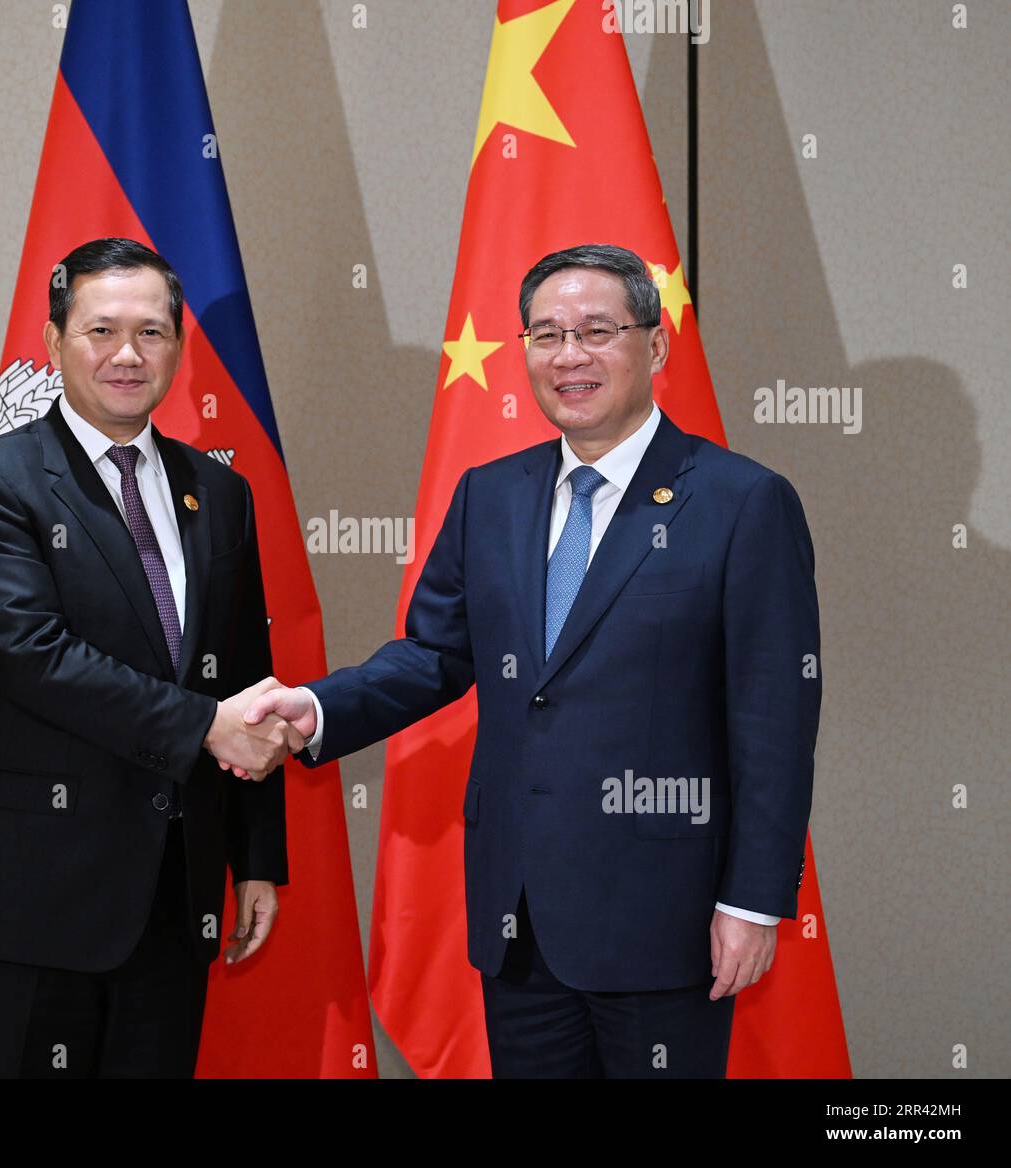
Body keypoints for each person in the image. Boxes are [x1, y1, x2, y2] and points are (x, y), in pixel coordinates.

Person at [238, 243, 821, 1078]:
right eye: (546, 335)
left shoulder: (741, 502)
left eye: (596, 331)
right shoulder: (492, 493)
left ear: (654, 346)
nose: (569, 356)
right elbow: (433, 654)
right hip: (520, 924)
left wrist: (755, 900)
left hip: (670, 923)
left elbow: (774, 720)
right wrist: (318, 710)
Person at [0, 237, 301, 1078]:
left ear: (177, 348)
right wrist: (207, 726)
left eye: (152, 333)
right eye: (100, 331)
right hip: (26, 900)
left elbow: (243, 674)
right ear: (54, 344)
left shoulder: (219, 492)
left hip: (173, 897)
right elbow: (30, 656)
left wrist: (255, 857)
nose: (128, 354)